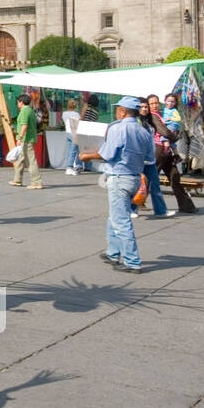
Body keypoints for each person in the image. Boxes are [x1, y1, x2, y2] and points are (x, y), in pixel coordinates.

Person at [80, 96, 156, 274]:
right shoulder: (145, 132)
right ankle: (113, 253)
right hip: (135, 177)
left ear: (122, 111)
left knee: (121, 220)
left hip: (119, 177)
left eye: (118, 109)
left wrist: (86, 155)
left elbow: (107, 153)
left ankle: (132, 261)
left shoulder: (118, 128)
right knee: (115, 215)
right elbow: (150, 158)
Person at [145, 94, 194, 214]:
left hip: (165, 151)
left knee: (174, 176)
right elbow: (164, 131)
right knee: (150, 177)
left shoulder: (162, 113)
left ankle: (186, 205)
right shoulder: (153, 116)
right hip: (159, 150)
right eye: (152, 104)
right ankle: (135, 203)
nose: (155, 105)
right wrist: (175, 137)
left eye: (156, 103)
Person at [9, 93, 43, 189]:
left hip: (26, 139)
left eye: (18, 102)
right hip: (28, 138)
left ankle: (36, 182)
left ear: (21, 102)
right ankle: (17, 179)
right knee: (20, 159)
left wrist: (20, 137)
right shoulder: (30, 110)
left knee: (31, 161)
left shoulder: (24, 111)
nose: (17, 104)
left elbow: (24, 125)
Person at [62, 97, 84, 174]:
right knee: (74, 150)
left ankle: (69, 166)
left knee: (69, 150)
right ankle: (71, 166)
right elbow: (79, 123)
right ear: (75, 106)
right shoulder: (76, 114)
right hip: (74, 133)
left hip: (67, 132)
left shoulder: (64, 114)